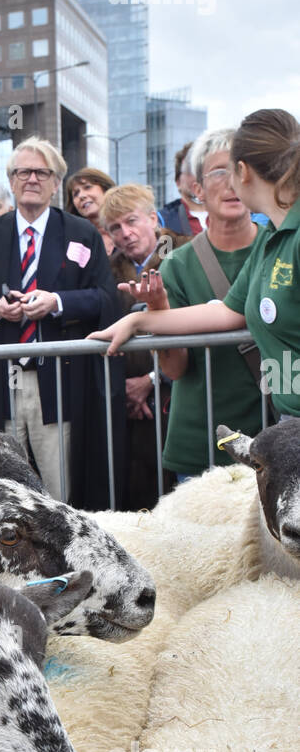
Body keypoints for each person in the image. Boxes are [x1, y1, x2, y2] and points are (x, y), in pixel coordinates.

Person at [90, 109, 300, 425]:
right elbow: (228, 311)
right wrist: (138, 320)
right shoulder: (272, 238)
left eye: (226, 171)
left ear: (241, 171)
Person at [0, 137, 120, 506]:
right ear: (11, 180)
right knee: (1, 489)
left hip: (58, 384)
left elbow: (106, 298)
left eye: (42, 172)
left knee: (59, 491)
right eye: (23, 171)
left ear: (56, 182)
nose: (31, 179)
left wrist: (56, 302)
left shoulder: (81, 233)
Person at [130, 130, 265, 481]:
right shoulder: (177, 264)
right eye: (219, 171)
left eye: (241, 169)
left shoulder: (280, 249)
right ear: (197, 190)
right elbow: (175, 370)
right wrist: (157, 310)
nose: (232, 182)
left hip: (273, 435)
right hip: (200, 439)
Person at [98, 184, 188, 507]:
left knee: (182, 489)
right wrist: (127, 390)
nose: (125, 233)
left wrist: (150, 381)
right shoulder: (106, 269)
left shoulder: (183, 253)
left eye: (132, 221)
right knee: (138, 492)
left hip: (179, 389)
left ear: (153, 218)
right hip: (129, 402)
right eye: (115, 228)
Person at [65, 167, 116, 256]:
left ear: (105, 189)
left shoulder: (129, 228)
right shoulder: (72, 240)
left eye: (87, 187)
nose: (81, 196)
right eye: (76, 194)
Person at [159, 142, 206, 237]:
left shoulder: (229, 213)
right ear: (178, 181)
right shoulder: (162, 221)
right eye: (191, 169)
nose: (198, 175)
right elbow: (163, 251)